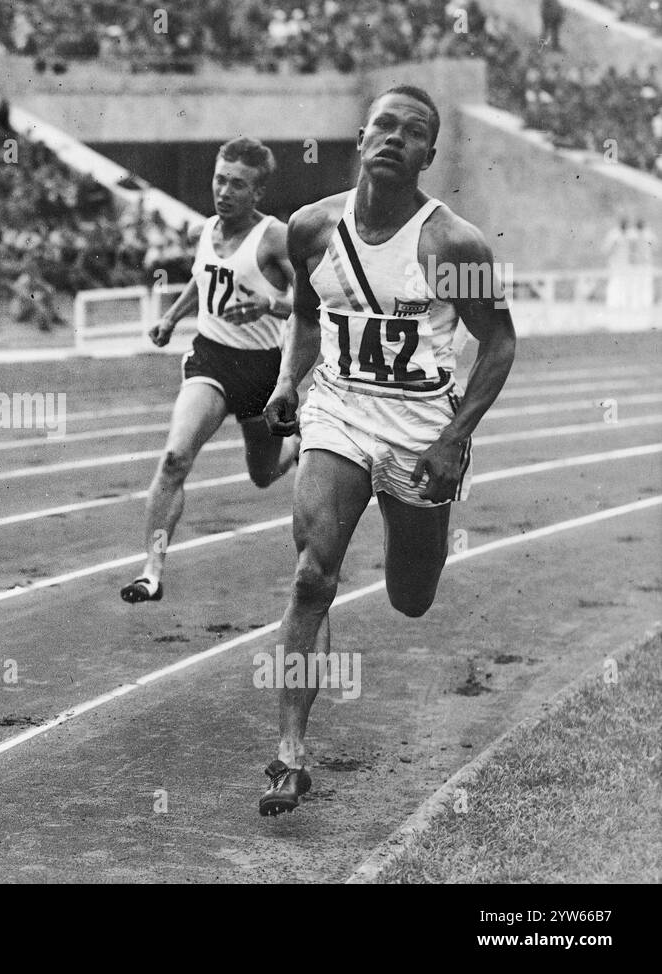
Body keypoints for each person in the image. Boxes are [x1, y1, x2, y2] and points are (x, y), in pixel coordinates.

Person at [258, 86, 516, 815]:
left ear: (429, 155)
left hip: (418, 433)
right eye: (386, 125)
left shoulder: (450, 245)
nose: (396, 138)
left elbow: (498, 340)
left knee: (411, 596)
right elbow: (308, 314)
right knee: (312, 577)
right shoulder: (311, 228)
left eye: (414, 133)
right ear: (363, 134)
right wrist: (288, 380)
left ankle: (418, 549)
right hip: (337, 415)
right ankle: (289, 756)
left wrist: (454, 437)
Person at [121, 137, 299, 604]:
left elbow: (312, 303)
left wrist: (270, 302)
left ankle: (296, 447)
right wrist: (170, 316)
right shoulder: (206, 230)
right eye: (220, 179)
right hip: (213, 360)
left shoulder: (275, 236)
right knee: (175, 458)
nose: (224, 191)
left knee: (262, 475)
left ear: (257, 193)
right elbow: (203, 281)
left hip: (263, 370)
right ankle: (152, 570)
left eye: (237, 184)